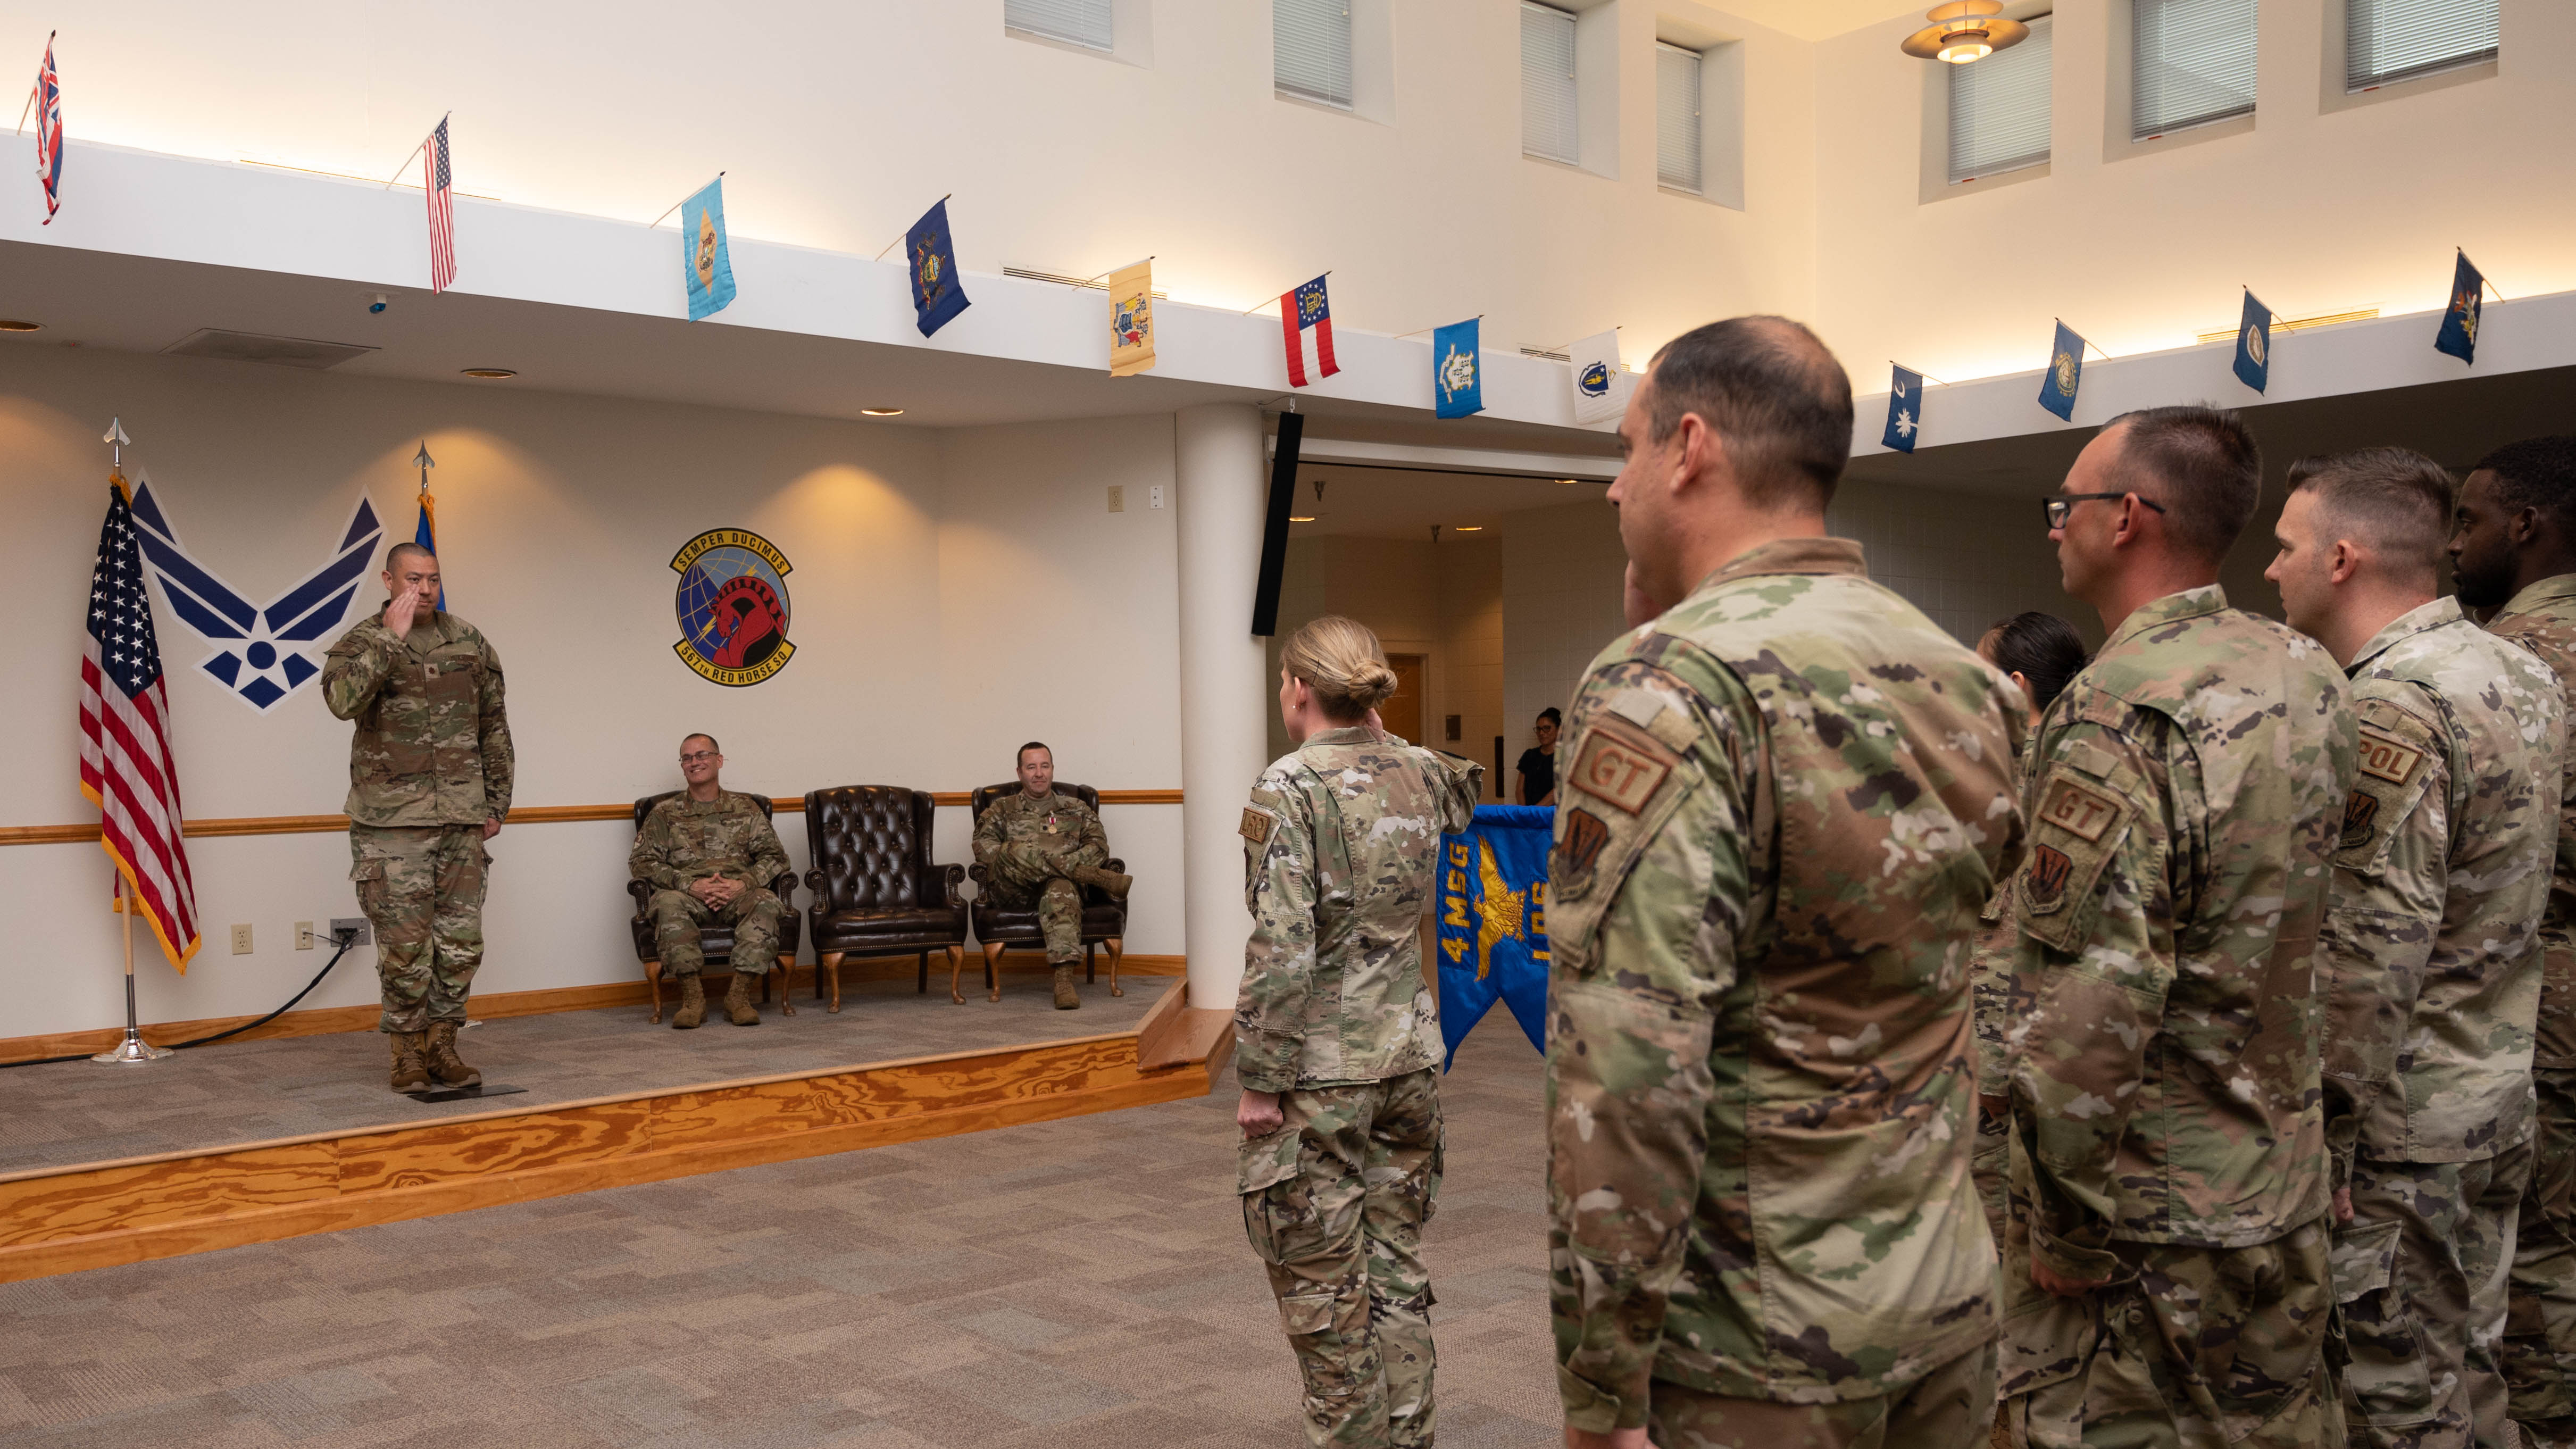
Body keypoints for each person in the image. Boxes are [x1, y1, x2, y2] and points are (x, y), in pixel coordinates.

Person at [1547, 316, 2027, 1448]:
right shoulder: (1965, 676)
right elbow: (1995, 985)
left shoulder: (1672, 682)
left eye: (1626, 448)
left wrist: (1602, 1379)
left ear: (1689, 447)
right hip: (1945, 1298)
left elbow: (1633, 1059)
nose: (1615, 489)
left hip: (1756, 1345)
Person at [2000, 405, 2358, 1447]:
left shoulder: (2115, 707)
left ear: (2129, 519)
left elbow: (2089, 1009)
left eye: (2066, 503)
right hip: (2280, 1179)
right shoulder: (2311, 676)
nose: (2053, 524)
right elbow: (2334, 934)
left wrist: (2066, 1221)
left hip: (2150, 1220)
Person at [2268, 447, 2561, 1448]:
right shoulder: (2514, 669)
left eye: (2284, 545)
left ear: (2341, 557)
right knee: (2470, 1368)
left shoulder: (2389, 702)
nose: (2269, 569)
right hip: (2494, 1088)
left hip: (2402, 1126)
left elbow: (2369, 947)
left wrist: (2327, 1131)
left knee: (2394, 1392)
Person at [1233, 614, 1482, 1449]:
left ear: (1299, 689)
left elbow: (1281, 945)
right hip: (1409, 1062)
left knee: (1324, 1299)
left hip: (1322, 1078)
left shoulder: (1289, 785)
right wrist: (1382, 735)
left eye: (1284, 684)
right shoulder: (1418, 771)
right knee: (1396, 1279)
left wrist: (1259, 1082)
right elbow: (1463, 788)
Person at [2452, 435, 2576, 1448]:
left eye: (2469, 519)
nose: (2455, 543)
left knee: (2540, 1242)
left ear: (2525, 528)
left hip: (2543, 996)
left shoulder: (2505, 666)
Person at [322, 543, 513, 1095]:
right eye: (412, 579)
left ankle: (443, 1046)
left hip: (462, 819)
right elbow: (342, 701)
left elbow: (494, 727)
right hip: (391, 826)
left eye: (432, 579)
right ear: (388, 579)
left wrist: (496, 803)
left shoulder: (469, 641)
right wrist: (390, 637)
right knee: (406, 949)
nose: (424, 589)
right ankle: (406, 1053)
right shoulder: (362, 641)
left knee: (460, 944)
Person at [1970, 611, 2090, 1248]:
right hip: (2063, 1052)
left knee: (1996, 1226)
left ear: (2015, 687)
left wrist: (1988, 1074)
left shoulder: (2019, 782)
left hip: (2006, 1057)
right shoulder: (2092, 765)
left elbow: (2004, 933)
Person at [629, 733, 794, 1030]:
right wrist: (689, 885)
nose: (695, 763)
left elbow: (776, 857)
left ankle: (739, 998)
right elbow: (641, 861)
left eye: (702, 755)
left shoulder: (747, 809)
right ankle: (694, 1001)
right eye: (687, 758)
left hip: (737, 893)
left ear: (719, 760)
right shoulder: (664, 813)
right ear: (682, 767)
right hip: (688, 895)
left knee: (767, 902)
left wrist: (744, 883)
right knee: (666, 904)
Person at [972, 742, 1131, 1010]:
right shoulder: (1002, 809)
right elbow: (983, 848)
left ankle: (1064, 982)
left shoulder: (1076, 808)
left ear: (1053, 770)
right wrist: (1023, 856)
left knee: (1059, 885)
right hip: (1014, 890)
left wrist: (1062, 865)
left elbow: (1099, 846)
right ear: (1020, 772)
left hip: (1063, 890)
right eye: (1031, 767)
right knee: (1013, 851)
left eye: (1044, 766)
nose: (1038, 773)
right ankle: (1090, 875)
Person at [1515, 707, 1561, 805]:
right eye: (1539, 729)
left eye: (1547, 728)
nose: (1541, 733)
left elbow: (1557, 790)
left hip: (1550, 815)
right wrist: (1524, 812)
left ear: (1558, 730)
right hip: (1527, 815)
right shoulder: (1529, 755)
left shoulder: (1563, 757)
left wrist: (1535, 812)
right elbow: (1519, 789)